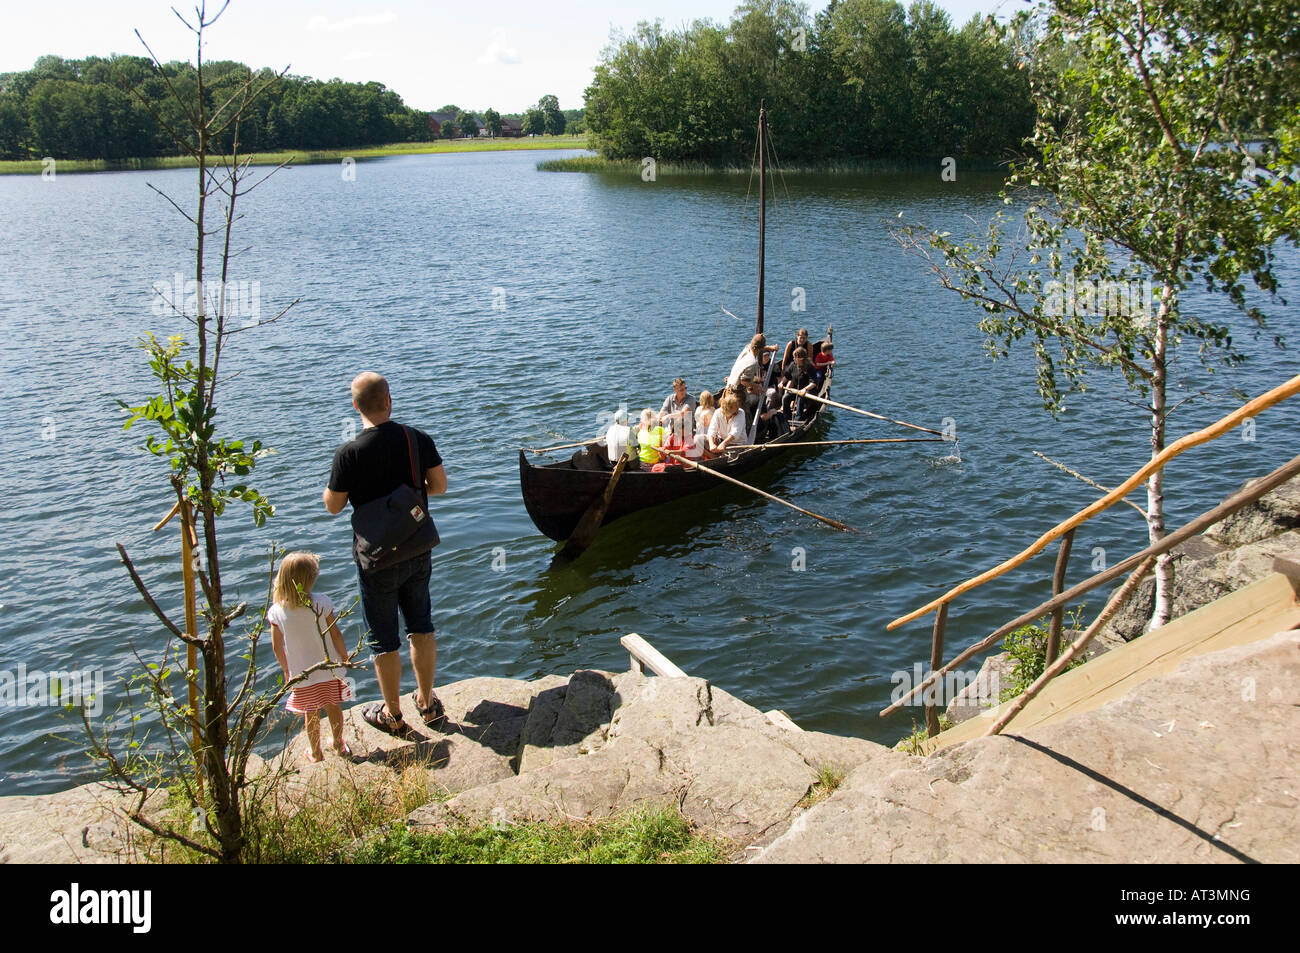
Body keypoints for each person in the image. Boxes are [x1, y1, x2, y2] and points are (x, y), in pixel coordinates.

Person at [323, 372, 448, 736]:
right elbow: (438, 486)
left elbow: (334, 507)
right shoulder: (416, 439)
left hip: (376, 559)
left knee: (382, 639)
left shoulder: (348, 453)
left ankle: (393, 715)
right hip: (417, 546)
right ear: (389, 399)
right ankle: (427, 703)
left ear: (355, 406)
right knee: (421, 625)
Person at [268, 551, 353, 763]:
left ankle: (315, 753)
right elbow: (335, 634)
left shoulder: (277, 612)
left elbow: (277, 647)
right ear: (310, 580)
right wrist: (344, 657)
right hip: (329, 668)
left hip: (302, 673)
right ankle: (338, 744)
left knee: (310, 713)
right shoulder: (322, 603)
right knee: (333, 706)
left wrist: (287, 670)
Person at [782, 347, 818, 423]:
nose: (794, 359)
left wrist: (805, 389)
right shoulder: (793, 365)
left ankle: (798, 419)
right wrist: (781, 383)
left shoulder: (809, 367)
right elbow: (787, 376)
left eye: (795, 357)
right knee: (785, 398)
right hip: (796, 390)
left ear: (801, 358)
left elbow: (814, 382)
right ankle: (786, 417)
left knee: (800, 399)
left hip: (808, 392)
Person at [660, 378, 696, 446]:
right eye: (681, 390)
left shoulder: (691, 399)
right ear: (675, 390)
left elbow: (683, 413)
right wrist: (660, 417)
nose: (684, 391)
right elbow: (662, 411)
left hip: (686, 431)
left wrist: (668, 416)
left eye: (685, 388)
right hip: (672, 430)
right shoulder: (670, 398)